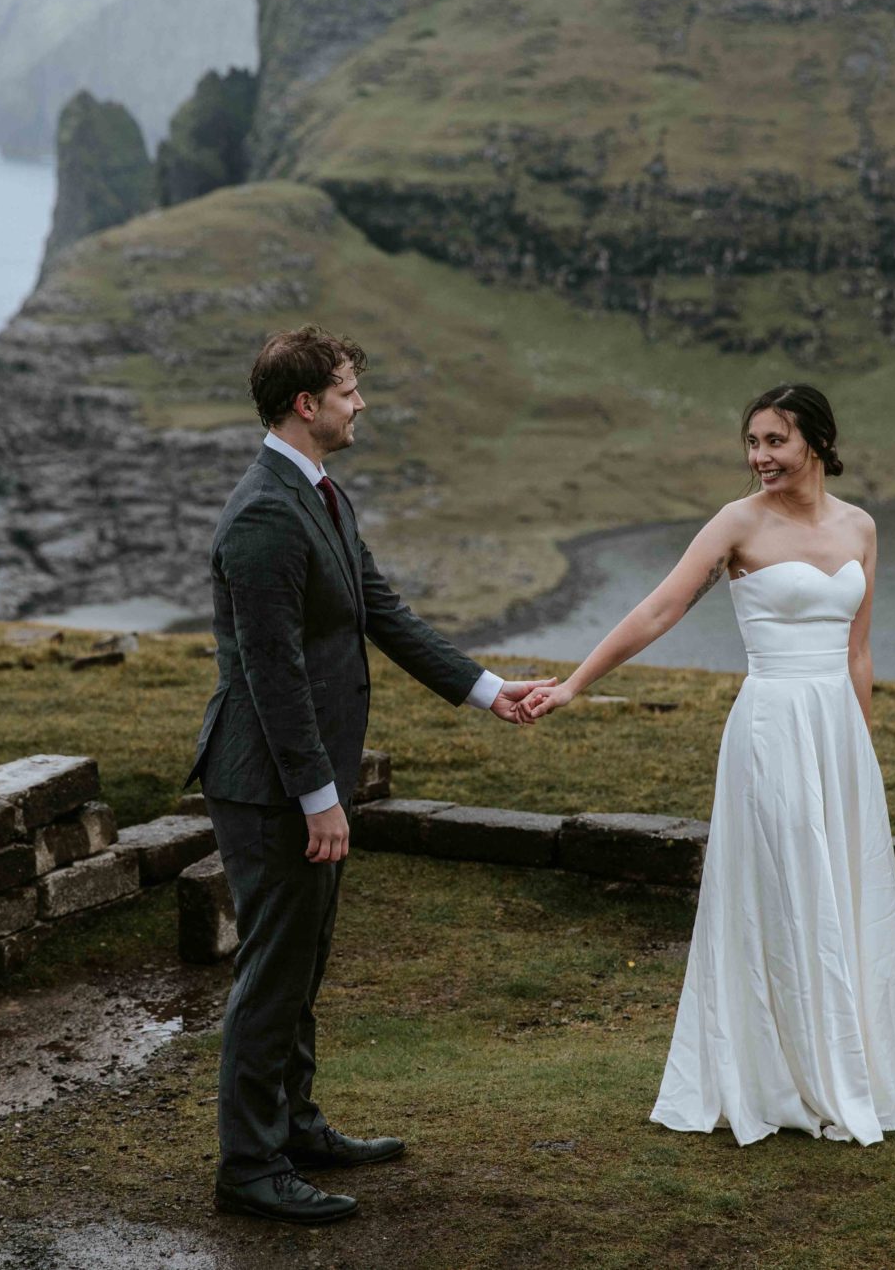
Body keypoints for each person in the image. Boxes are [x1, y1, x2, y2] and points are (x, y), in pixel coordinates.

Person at [188, 325, 556, 1224]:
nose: (362, 405)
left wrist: (486, 688)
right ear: (307, 404)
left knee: (303, 958)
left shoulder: (317, 491)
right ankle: (248, 1166)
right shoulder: (268, 512)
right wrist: (321, 796)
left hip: (306, 773)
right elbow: (271, 673)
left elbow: (380, 610)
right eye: (350, 390)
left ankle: (294, 1123)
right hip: (271, 779)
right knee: (274, 966)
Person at [522, 383, 895, 1145]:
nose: (759, 457)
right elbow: (658, 609)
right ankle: (777, 1077)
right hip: (773, 724)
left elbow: (858, 648)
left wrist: (862, 753)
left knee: (841, 893)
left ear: (814, 439)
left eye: (774, 441)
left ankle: (850, 1068)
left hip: (838, 736)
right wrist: (576, 684)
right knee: (781, 888)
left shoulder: (861, 527)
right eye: (752, 443)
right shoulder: (736, 523)